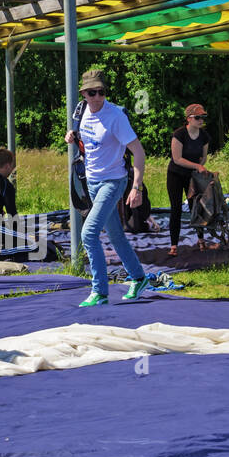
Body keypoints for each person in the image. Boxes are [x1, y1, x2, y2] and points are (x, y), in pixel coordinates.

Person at [64, 68, 151, 306]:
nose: (97, 98)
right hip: (91, 181)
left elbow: (139, 152)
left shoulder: (116, 117)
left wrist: (137, 187)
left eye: (101, 92)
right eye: (92, 93)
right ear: (83, 93)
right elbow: (85, 138)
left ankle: (99, 291)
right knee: (115, 235)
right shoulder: (81, 111)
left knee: (88, 234)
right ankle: (138, 277)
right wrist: (72, 136)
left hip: (113, 182)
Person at [166, 103, 213, 255]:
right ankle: (174, 246)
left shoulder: (204, 136)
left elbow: (203, 158)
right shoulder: (179, 134)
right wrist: (197, 166)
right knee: (176, 209)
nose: (201, 120)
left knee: (196, 207)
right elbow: (177, 158)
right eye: (197, 117)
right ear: (188, 119)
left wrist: (199, 168)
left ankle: (201, 240)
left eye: (203, 117)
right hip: (176, 175)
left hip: (191, 176)